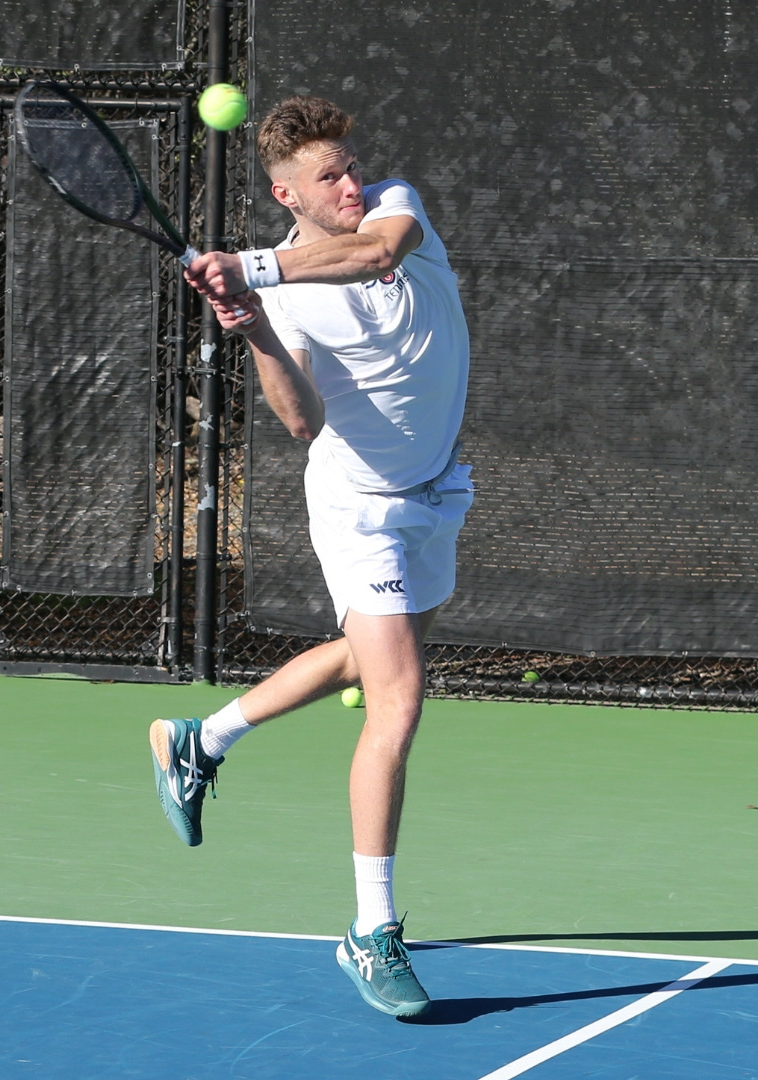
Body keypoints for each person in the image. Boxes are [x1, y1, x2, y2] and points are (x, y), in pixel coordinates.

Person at [148, 95, 472, 1020]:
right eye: (328, 176)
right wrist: (251, 323)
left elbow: (375, 254)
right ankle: (372, 933)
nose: (350, 183)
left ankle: (201, 743)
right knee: (398, 697)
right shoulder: (282, 289)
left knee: (366, 658)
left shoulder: (391, 211)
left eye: (349, 166)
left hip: (435, 490)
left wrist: (248, 268)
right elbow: (301, 420)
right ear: (289, 192)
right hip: (359, 505)